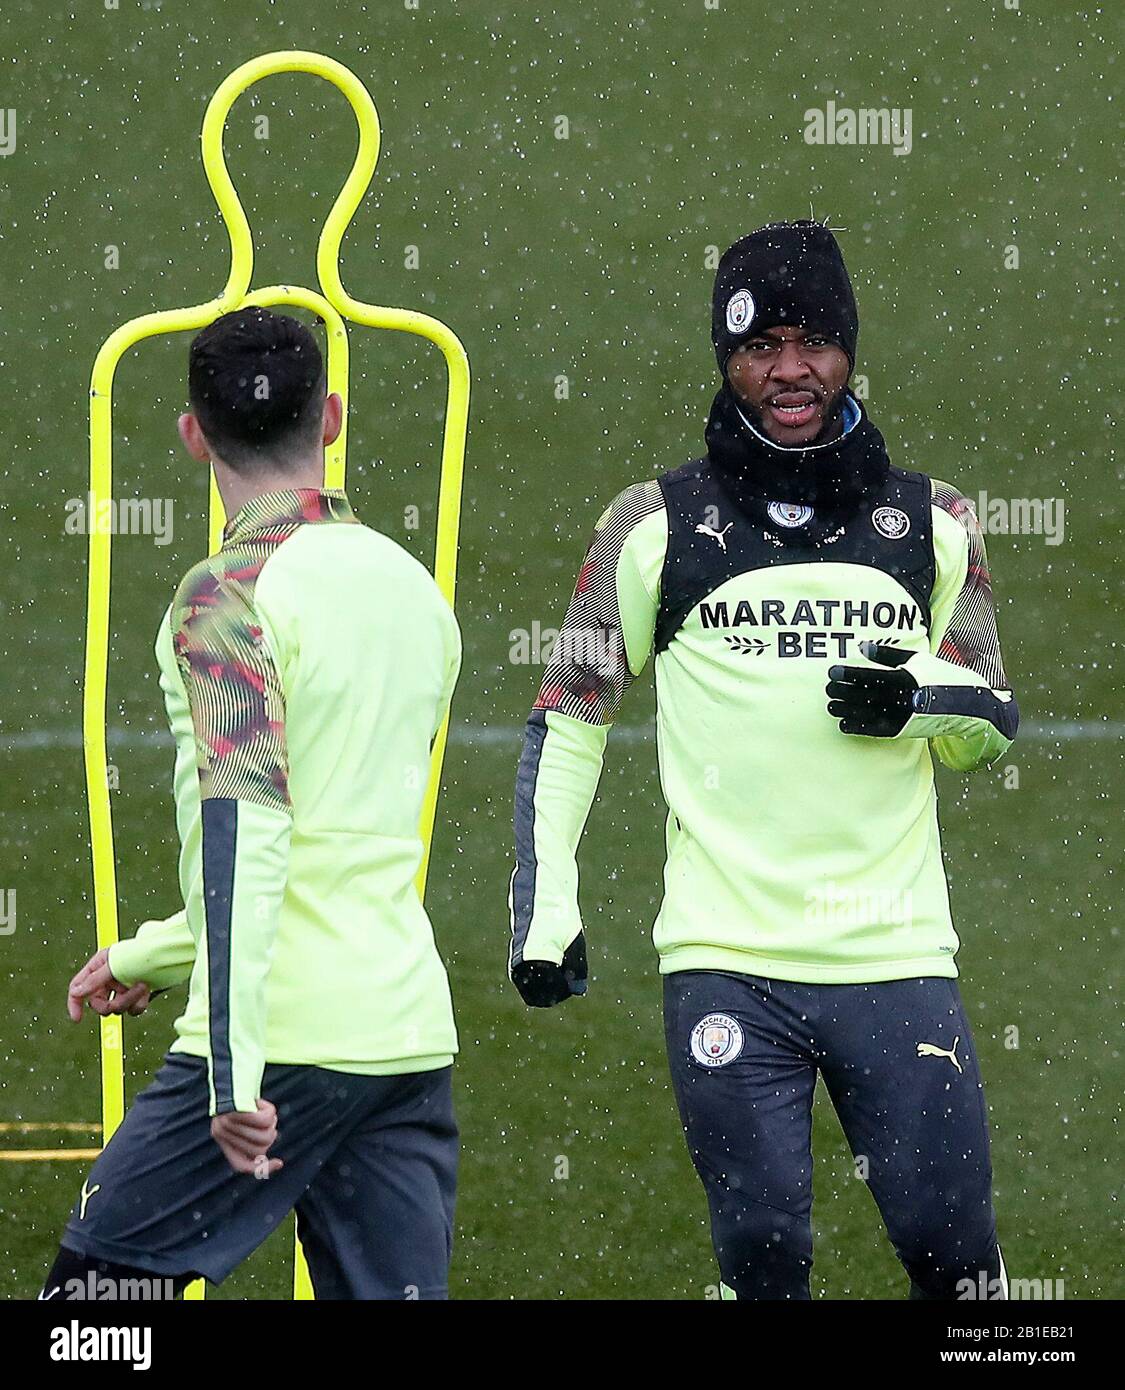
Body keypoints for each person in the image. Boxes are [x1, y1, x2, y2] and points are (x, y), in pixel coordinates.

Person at [508, 221, 1017, 1300]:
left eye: (816, 340)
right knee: (764, 1255)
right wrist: (546, 901)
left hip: (897, 955)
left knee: (957, 1261)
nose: (790, 371)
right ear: (724, 355)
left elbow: (990, 723)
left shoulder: (934, 523)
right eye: (760, 344)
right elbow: (570, 712)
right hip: (727, 957)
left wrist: (926, 698)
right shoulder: (651, 526)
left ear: (851, 348)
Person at [46, 307, 462, 1301]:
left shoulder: (224, 596)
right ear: (332, 416)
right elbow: (330, 849)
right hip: (402, 1043)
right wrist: (152, 953)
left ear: (193, 434)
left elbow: (253, 840)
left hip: (276, 1046)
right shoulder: (417, 593)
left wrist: (234, 1081)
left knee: (89, 1318)